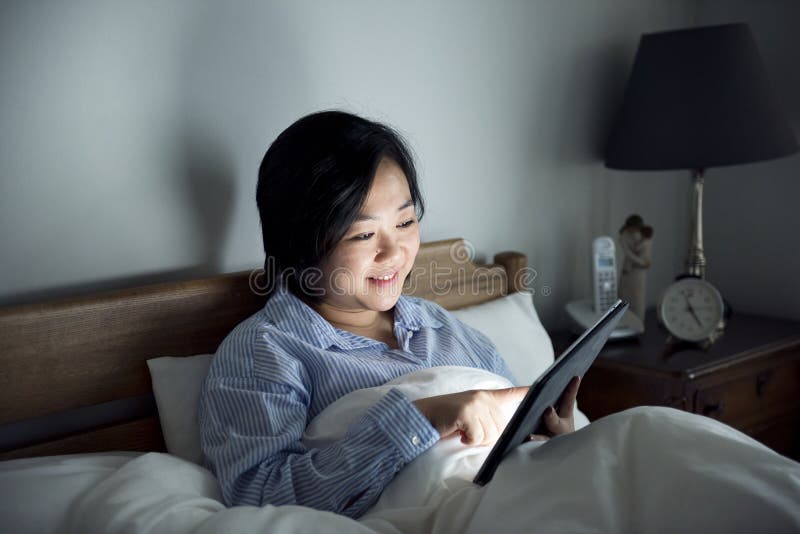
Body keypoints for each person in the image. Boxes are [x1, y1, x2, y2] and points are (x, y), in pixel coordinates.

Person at [197, 110, 579, 519]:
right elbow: (262, 499)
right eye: (363, 234)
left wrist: (557, 435)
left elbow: (513, 430)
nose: (394, 252)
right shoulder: (266, 350)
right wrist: (424, 416)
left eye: (405, 221)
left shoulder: (441, 326)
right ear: (299, 244)